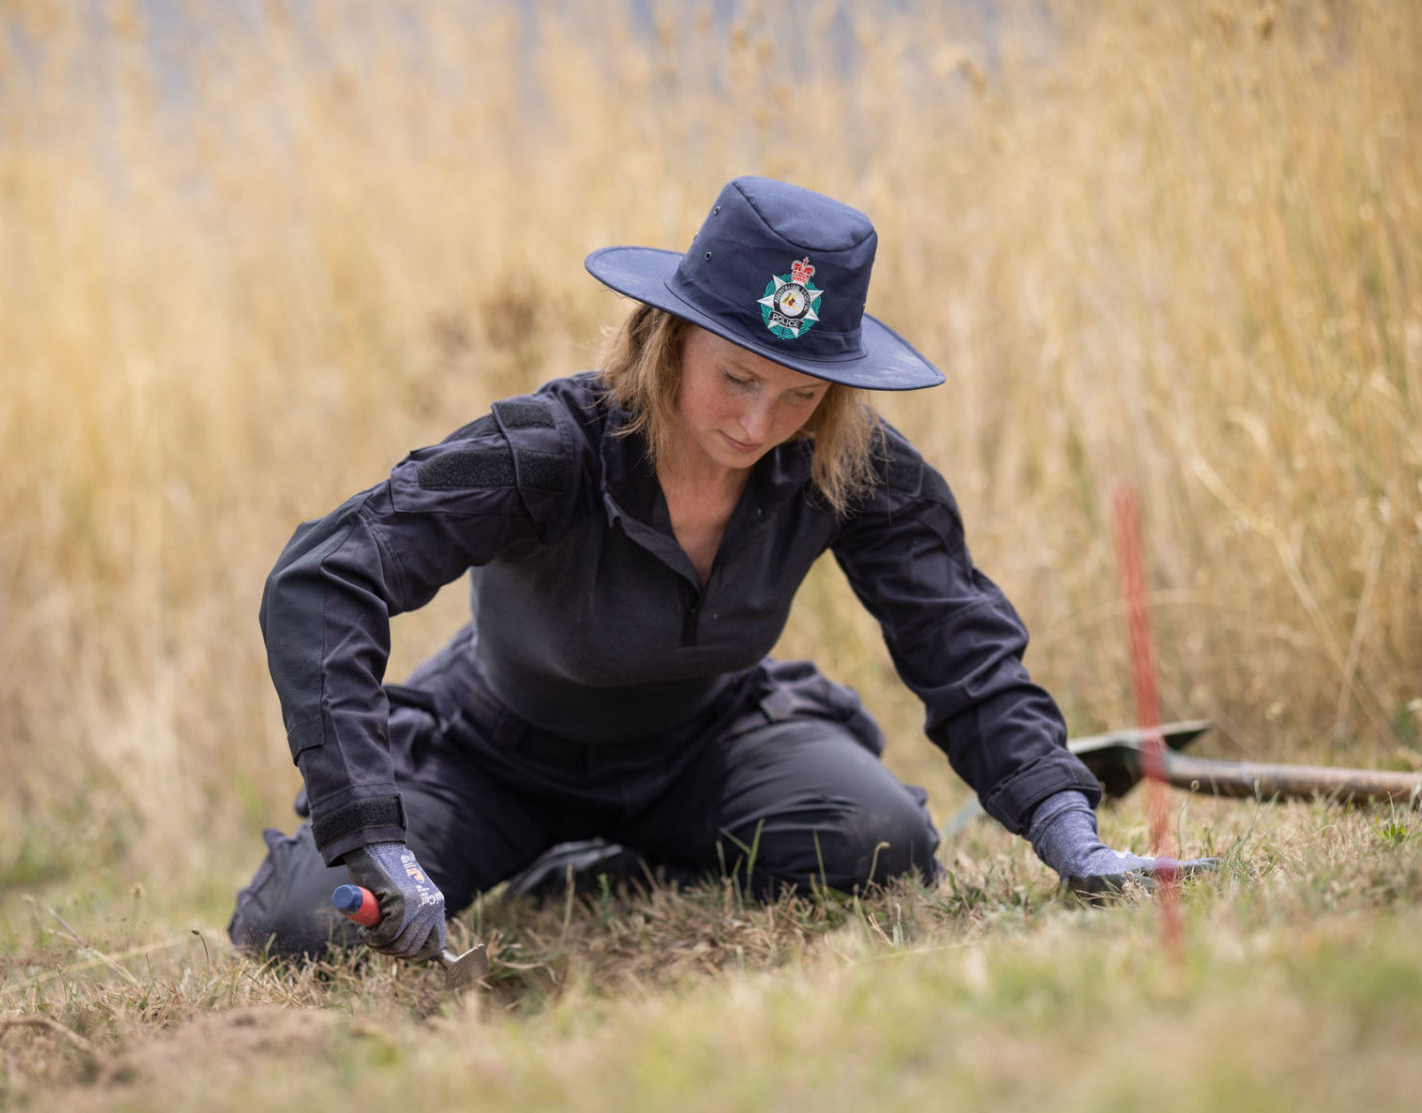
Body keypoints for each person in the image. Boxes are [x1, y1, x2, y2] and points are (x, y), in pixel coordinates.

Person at [229, 176, 1210, 963]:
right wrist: (372, 832)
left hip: (709, 754)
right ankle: (523, 850)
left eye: (798, 395)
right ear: (668, 338)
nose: (756, 424)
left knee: (886, 844)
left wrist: (1064, 824)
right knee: (315, 925)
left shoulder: (851, 465)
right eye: (737, 377)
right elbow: (327, 576)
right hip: (487, 758)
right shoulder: (547, 449)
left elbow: (958, 637)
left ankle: (611, 860)